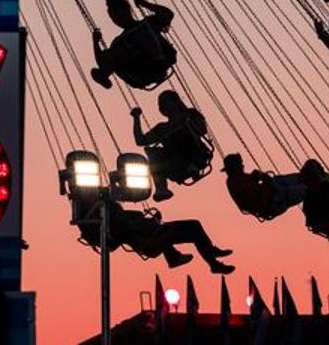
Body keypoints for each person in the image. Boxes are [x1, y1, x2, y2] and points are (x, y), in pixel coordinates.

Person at [74, 197, 234, 273]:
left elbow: (133, 219)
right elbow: (144, 244)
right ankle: (205, 258)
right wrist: (161, 232)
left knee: (194, 227)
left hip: (155, 233)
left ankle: (211, 261)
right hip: (154, 238)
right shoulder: (119, 228)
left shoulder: (115, 213)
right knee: (193, 226)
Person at [132, 91, 212, 201]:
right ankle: (161, 188)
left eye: (164, 102)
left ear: (175, 102)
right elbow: (140, 141)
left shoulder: (189, 114)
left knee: (179, 134)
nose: (162, 106)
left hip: (197, 154)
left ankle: (192, 165)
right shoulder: (162, 128)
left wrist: (185, 122)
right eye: (160, 104)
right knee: (152, 152)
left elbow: (202, 129)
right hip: (176, 161)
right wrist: (136, 118)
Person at [91, 0, 177, 90]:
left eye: (117, 14)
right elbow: (102, 61)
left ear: (127, 10)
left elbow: (168, 14)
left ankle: (158, 58)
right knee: (117, 52)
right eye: (112, 17)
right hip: (138, 71)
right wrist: (95, 42)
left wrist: (145, 4)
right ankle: (104, 74)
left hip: (158, 62)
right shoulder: (118, 41)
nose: (116, 19)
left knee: (141, 32)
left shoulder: (147, 23)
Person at [222, 153, 306, 220]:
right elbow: (257, 200)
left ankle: (306, 178)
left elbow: (253, 180)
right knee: (307, 188)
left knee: (302, 176)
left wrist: (257, 176)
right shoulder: (235, 183)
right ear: (234, 167)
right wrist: (267, 183)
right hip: (274, 202)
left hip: (275, 192)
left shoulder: (239, 177)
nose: (243, 166)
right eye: (240, 164)